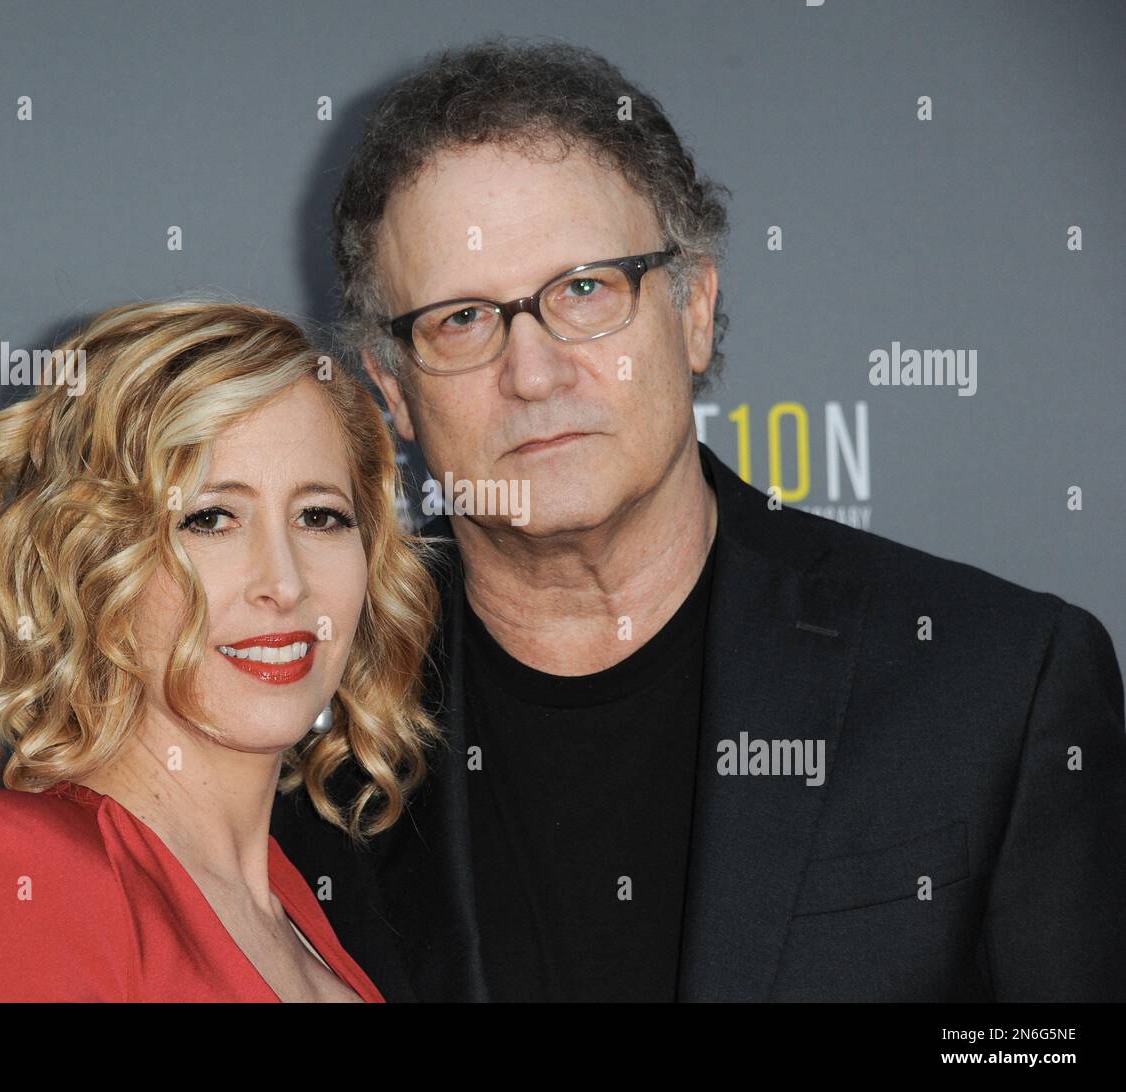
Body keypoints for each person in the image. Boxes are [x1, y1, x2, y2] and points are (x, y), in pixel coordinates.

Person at [270, 37, 1126, 1002]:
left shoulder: (995, 680)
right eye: (462, 319)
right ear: (390, 387)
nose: (535, 372)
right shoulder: (295, 710)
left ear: (695, 310)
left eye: (586, 290)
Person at [0, 298, 441, 1002]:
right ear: (98, 563)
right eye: (210, 519)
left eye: (320, 516)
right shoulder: (21, 871)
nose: (284, 584)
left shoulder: (303, 918)